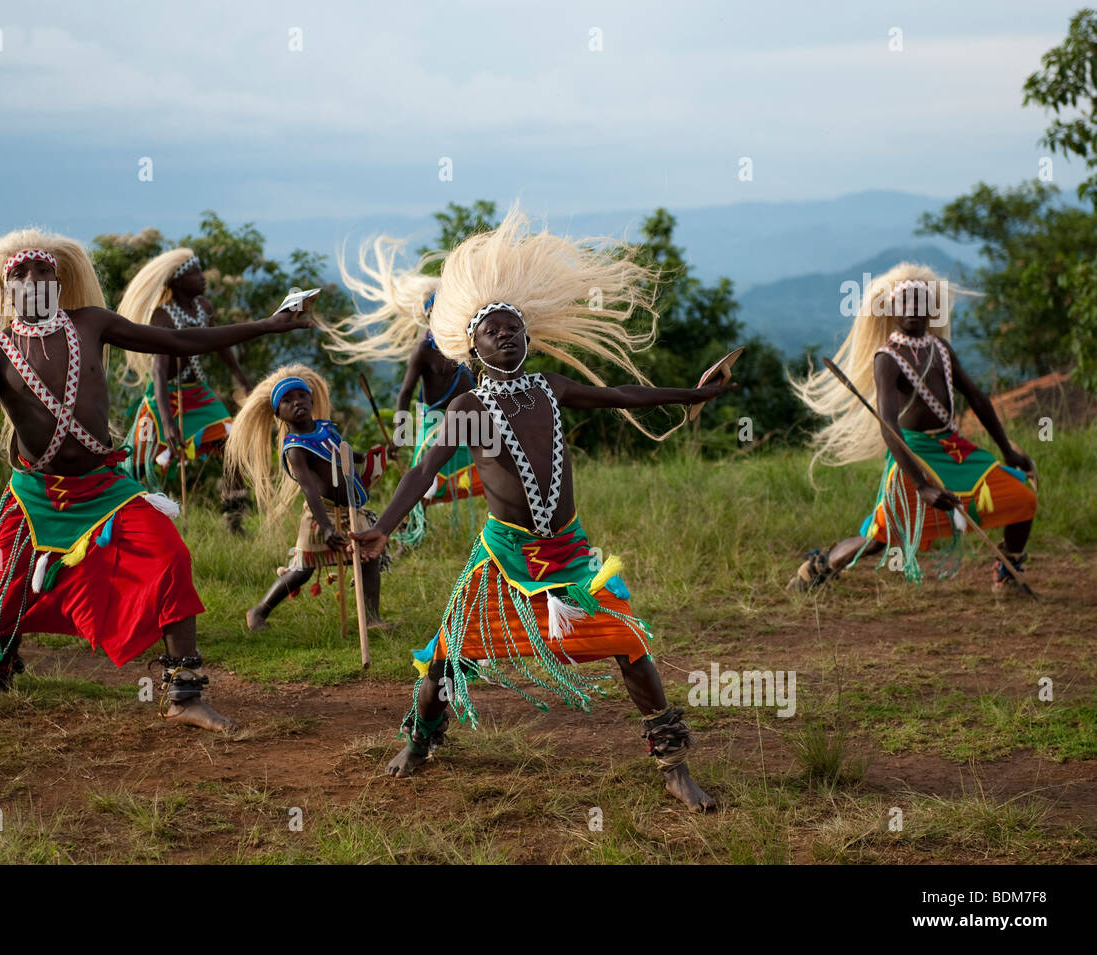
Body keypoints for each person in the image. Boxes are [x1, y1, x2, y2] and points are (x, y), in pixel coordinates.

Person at [351, 207, 734, 812]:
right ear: (470, 347)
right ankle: (422, 741)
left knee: (628, 643)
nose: (506, 333)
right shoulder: (468, 408)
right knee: (446, 659)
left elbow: (618, 396)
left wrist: (694, 392)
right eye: (492, 329)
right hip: (503, 560)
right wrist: (380, 529)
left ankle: (673, 766)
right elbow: (423, 470)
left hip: (571, 553)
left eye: (514, 326)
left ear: (529, 337)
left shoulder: (551, 388)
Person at [0, 229, 311, 732]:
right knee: (5, 581)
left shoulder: (91, 324)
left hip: (105, 487)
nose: (32, 280)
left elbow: (178, 341)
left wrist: (266, 326)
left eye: (42, 270)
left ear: (58, 279)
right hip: (34, 494)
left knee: (170, 557)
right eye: (19, 274)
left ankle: (183, 693)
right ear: (6, 290)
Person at [788, 263, 1037, 591]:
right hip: (912, 453)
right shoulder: (887, 359)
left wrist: (1009, 452)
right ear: (892, 309)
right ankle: (820, 567)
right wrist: (922, 486)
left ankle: (1008, 571)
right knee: (883, 536)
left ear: (931, 310)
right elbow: (888, 425)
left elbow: (978, 400)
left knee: (1021, 497)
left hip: (954, 449)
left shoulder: (942, 349)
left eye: (921, 305)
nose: (913, 312)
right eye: (905, 304)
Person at [322, 237, 483, 547]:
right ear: (428, 315)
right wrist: (400, 432)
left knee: (485, 470)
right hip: (435, 421)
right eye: (438, 310)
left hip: (471, 420)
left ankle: (501, 528)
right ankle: (409, 533)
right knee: (426, 478)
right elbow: (406, 392)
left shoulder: (469, 342)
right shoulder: (423, 349)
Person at [227, 365, 391, 632]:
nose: (297, 403)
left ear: (312, 400)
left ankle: (371, 619)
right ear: (278, 414)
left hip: (347, 506)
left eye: (301, 397)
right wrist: (326, 527)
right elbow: (309, 488)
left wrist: (369, 456)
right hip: (320, 513)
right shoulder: (294, 448)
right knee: (302, 570)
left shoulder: (326, 428)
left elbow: (343, 454)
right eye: (288, 401)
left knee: (368, 559)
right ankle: (258, 611)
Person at [118, 249, 253, 529]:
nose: (202, 279)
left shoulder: (204, 307)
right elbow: (158, 370)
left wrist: (240, 377)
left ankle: (234, 517)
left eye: (200, 271)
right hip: (164, 397)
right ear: (177, 283)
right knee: (140, 463)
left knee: (233, 445)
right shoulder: (162, 317)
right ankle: (139, 519)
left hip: (198, 392)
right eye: (194, 274)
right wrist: (167, 422)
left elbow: (219, 343)